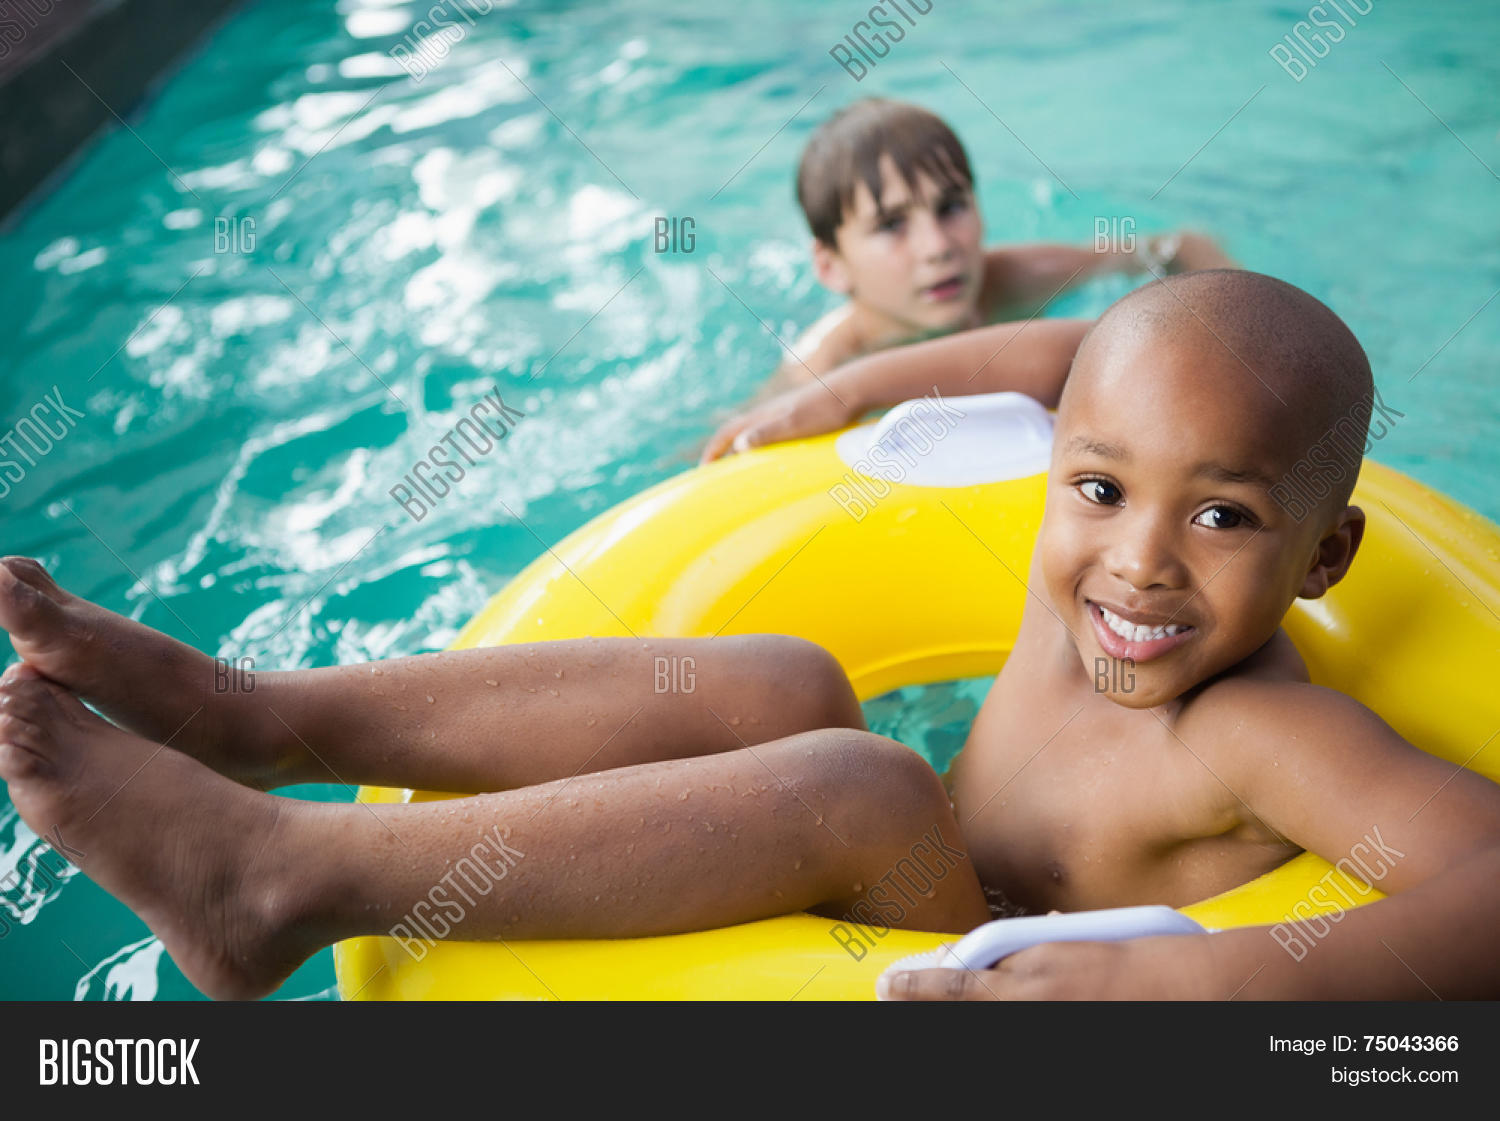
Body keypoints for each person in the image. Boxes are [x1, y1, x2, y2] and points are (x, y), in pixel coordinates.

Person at [3, 271, 1497, 1001]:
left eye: (1224, 517)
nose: (1140, 561)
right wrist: (846, 391)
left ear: (1325, 556)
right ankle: (256, 716)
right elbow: (1071, 352)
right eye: (1100, 488)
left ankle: (281, 878)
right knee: (791, 677)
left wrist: (1208, 983)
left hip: (951, 965)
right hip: (910, 879)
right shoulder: (1087, 581)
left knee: (870, 785)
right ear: (1062, 465)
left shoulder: (1258, 732)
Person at [766, 97, 1234, 396]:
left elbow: (1182, 247)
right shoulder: (822, 368)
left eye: (951, 207)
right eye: (891, 225)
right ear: (831, 266)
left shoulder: (1018, 280)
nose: (937, 247)